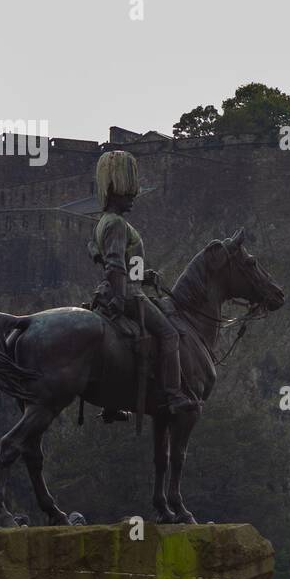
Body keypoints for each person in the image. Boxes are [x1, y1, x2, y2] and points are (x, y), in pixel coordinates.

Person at [88, 150, 196, 416]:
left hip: (124, 287)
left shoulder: (104, 222)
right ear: (115, 190)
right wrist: (121, 296)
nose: (134, 196)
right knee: (170, 333)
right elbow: (114, 264)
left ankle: (112, 404)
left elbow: (120, 263)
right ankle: (173, 395)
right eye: (128, 192)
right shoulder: (117, 224)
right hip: (126, 294)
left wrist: (145, 276)